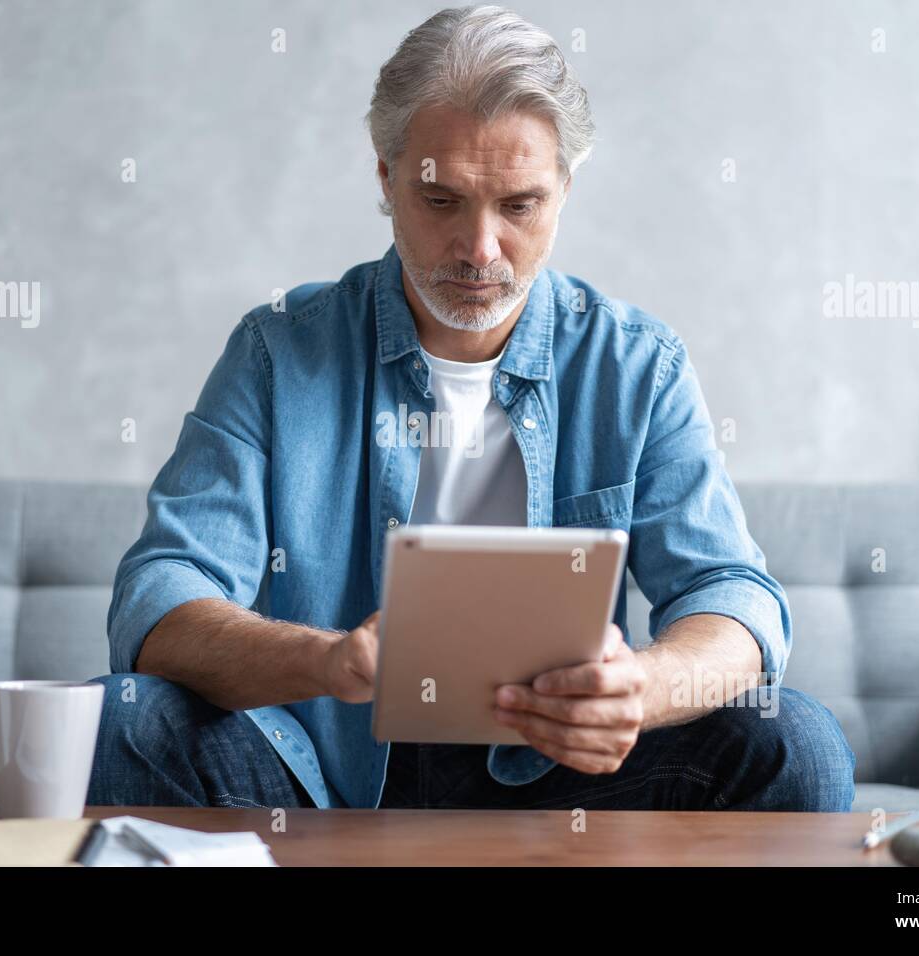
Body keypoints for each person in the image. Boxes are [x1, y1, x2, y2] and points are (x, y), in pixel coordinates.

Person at [87, 5, 856, 812]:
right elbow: (161, 598)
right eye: (442, 201)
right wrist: (328, 662)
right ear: (386, 179)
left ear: (565, 188)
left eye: (518, 205)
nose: (480, 250)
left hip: (555, 771)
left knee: (792, 742)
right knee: (123, 718)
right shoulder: (280, 352)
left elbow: (734, 597)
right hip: (320, 768)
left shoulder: (637, 365)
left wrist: (641, 686)